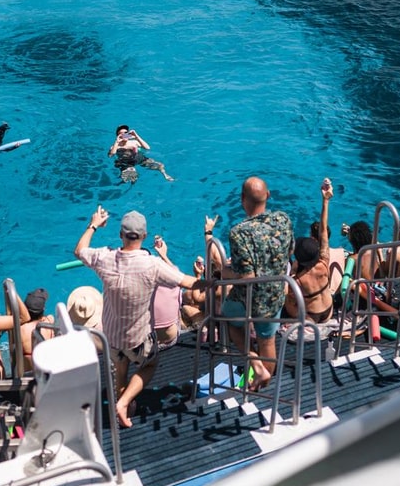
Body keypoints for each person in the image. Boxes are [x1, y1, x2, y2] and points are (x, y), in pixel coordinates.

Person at [75, 206, 207, 427]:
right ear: (144, 236)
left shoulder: (104, 258)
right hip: (138, 339)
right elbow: (186, 282)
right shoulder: (152, 264)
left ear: (121, 235)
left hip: (112, 338)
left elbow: (79, 251)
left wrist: (94, 225)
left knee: (121, 368)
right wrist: (211, 281)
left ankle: (124, 405)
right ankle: (124, 402)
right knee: (149, 365)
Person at [221, 176, 293, 392]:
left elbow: (247, 277)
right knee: (267, 340)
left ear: (242, 199)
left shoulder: (239, 232)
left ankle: (255, 363)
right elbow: (288, 253)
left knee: (227, 316)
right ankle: (267, 388)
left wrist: (224, 271)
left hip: (251, 297)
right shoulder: (283, 219)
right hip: (276, 292)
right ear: (268, 195)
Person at [284, 179, 335, 324]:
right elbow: (323, 232)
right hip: (328, 311)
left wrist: (293, 270)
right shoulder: (324, 263)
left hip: (311, 317)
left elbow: (292, 297)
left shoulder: (297, 280)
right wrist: (325, 201)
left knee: (288, 299)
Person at [108, 124, 173, 183]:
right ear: (118, 136)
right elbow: (111, 155)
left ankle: (166, 175)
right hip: (126, 163)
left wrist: (136, 136)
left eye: (125, 133)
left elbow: (147, 148)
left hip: (140, 159)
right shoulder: (115, 146)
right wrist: (117, 142)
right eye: (121, 134)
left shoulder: (134, 142)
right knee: (132, 177)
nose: (124, 135)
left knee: (160, 165)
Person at [19, 288, 54, 364]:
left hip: (28, 372)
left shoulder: (22, 330)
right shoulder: (50, 321)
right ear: (43, 309)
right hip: (47, 367)